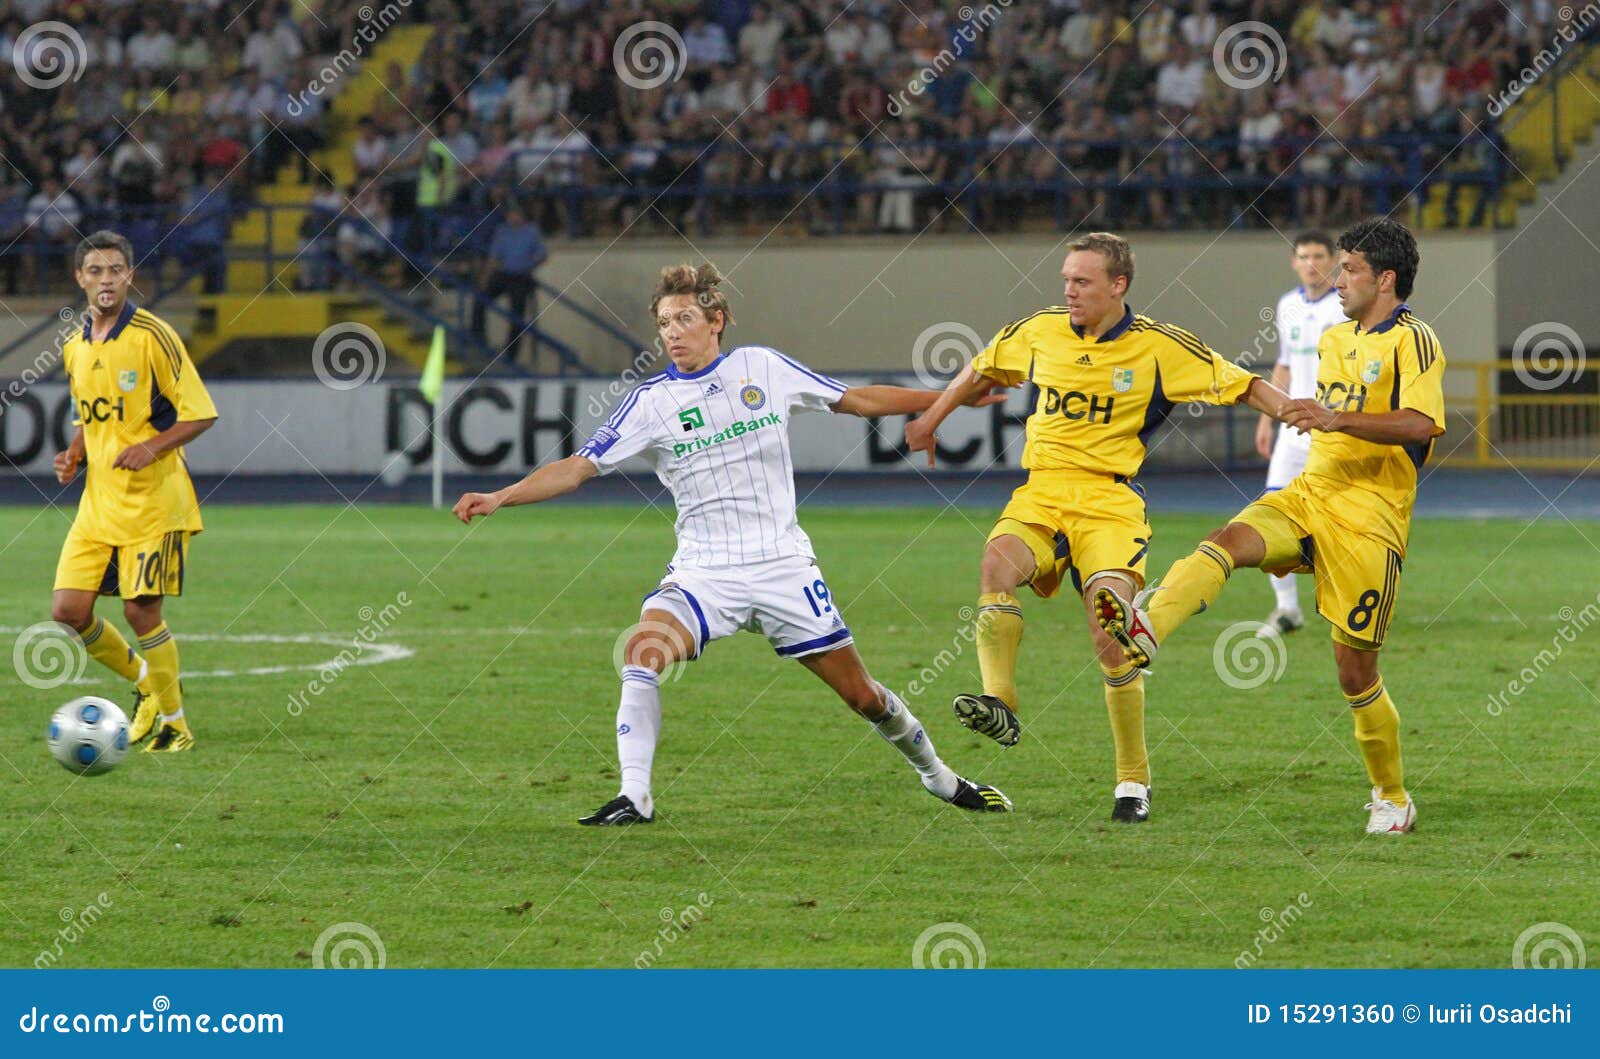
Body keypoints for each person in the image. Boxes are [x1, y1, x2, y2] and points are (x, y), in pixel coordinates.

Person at [453, 262, 1013, 825]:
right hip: (704, 571)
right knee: (642, 655)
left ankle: (939, 777)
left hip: (782, 567)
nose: (672, 332)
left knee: (863, 696)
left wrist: (947, 400)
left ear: (716, 320)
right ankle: (634, 795)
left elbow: (855, 400)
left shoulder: (762, 368)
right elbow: (577, 468)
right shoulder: (650, 402)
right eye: (664, 323)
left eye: (684, 319)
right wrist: (502, 495)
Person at [904, 231, 1295, 824]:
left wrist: (1301, 413)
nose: (1069, 290)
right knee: (995, 566)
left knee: (1109, 635)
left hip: (1109, 504)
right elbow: (982, 369)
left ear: (1119, 286)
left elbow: (1240, 382)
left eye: (1082, 281)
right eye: (1066, 279)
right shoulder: (1039, 329)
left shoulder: (1160, 347)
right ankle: (1001, 702)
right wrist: (931, 417)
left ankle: (1132, 782)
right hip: (1041, 493)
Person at [1093, 218, 1443, 836]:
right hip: (1309, 496)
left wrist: (1336, 420)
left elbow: (1421, 424)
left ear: (1386, 279)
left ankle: (1392, 796)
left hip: (1370, 522)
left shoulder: (1414, 341)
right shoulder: (1335, 337)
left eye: (1351, 269)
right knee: (1227, 540)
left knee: (1353, 671)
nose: (1337, 279)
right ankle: (1148, 628)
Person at [51, 230, 220, 752]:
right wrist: (77, 451)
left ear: (131, 276)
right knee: (69, 611)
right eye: (96, 271)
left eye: (116, 270)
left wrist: (152, 448)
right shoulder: (75, 346)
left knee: (141, 610)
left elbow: (200, 413)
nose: (106, 280)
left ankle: (175, 723)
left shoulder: (153, 335)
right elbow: (93, 413)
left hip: (154, 499)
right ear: (80, 278)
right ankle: (147, 683)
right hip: (99, 503)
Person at [1253, 232, 1345, 638]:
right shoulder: (1287, 305)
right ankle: (1287, 608)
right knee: (1271, 512)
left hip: (1331, 428)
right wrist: (1265, 419)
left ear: (1334, 260)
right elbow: (1285, 364)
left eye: (1319, 256)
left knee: (1339, 522)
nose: (1311, 263)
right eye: (1304, 256)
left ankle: (1351, 601)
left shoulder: (1344, 306)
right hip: (1292, 428)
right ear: (1294, 262)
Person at [471, 199, 547, 366]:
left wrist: (529, 265)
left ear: (522, 216)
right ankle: (478, 341)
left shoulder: (531, 231)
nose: (512, 218)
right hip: (503, 275)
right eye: (510, 215)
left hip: (521, 277)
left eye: (515, 215)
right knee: (479, 300)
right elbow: (493, 258)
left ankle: (510, 356)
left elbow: (542, 255)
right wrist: (485, 279)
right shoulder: (502, 231)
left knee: (516, 317)